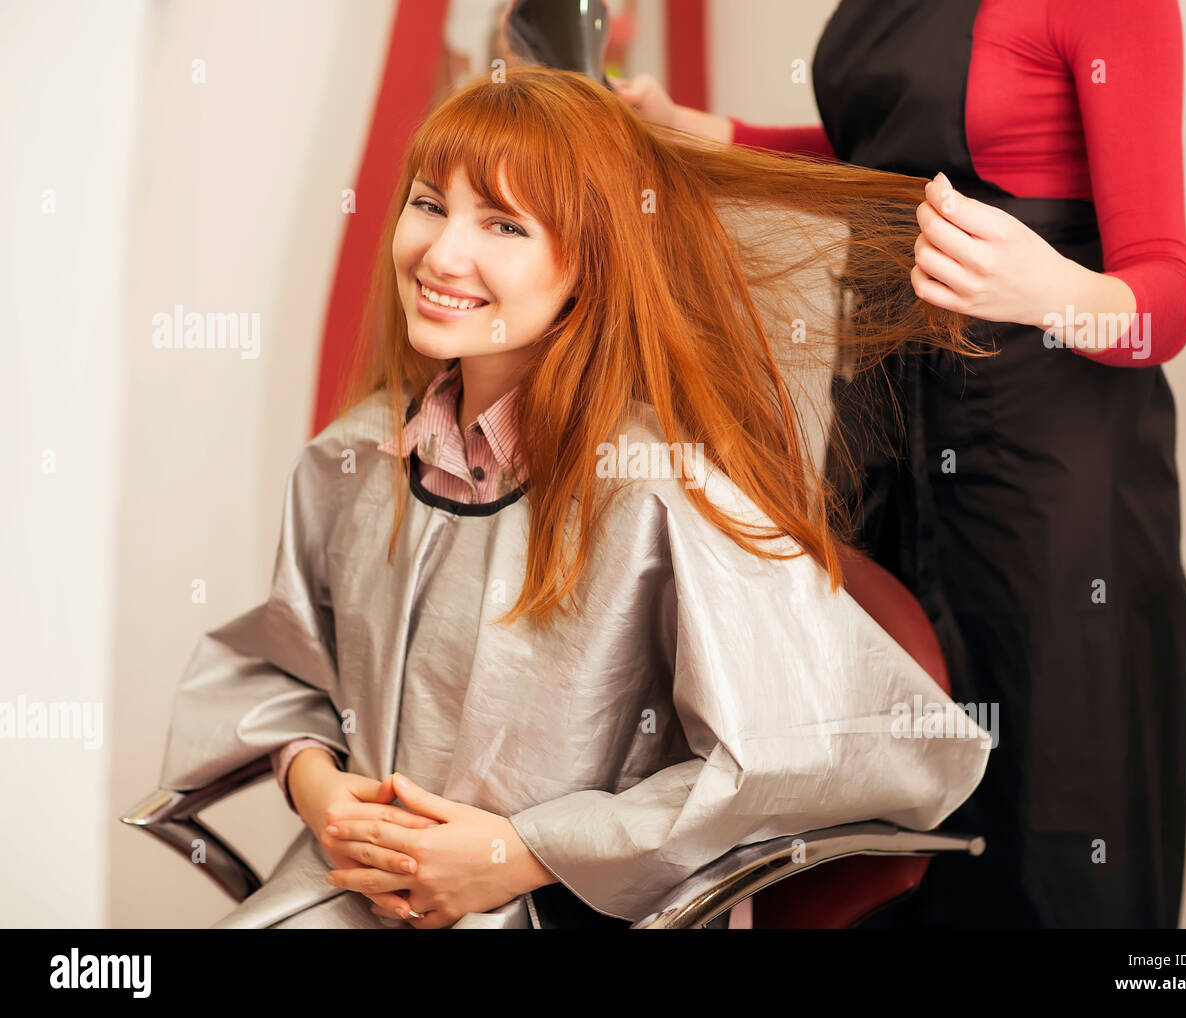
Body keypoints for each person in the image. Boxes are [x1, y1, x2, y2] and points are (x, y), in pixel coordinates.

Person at [155, 65, 998, 930]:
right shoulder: (351, 458)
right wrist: (319, 787)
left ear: (590, 263)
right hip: (348, 898)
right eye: (429, 204)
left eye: (504, 224)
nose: (442, 254)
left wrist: (518, 853)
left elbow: (842, 748)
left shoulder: (663, 492)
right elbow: (285, 663)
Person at [613, 0, 1186, 929]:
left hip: (1047, 466)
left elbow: (1164, 300)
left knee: (1056, 795)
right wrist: (707, 135)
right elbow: (885, 166)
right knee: (883, 780)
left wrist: (1055, 291)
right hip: (883, 424)